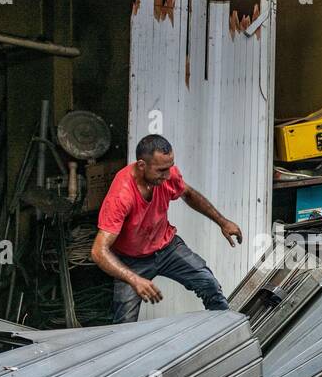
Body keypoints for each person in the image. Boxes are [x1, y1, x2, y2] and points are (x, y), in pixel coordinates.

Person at [91, 134, 243, 323]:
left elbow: (188, 194)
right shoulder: (121, 196)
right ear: (141, 165)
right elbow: (99, 251)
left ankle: (225, 329)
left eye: (170, 167)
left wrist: (222, 221)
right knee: (123, 324)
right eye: (161, 170)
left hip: (167, 247)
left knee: (209, 284)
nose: (168, 175)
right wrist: (134, 279)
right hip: (131, 260)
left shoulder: (168, 175)